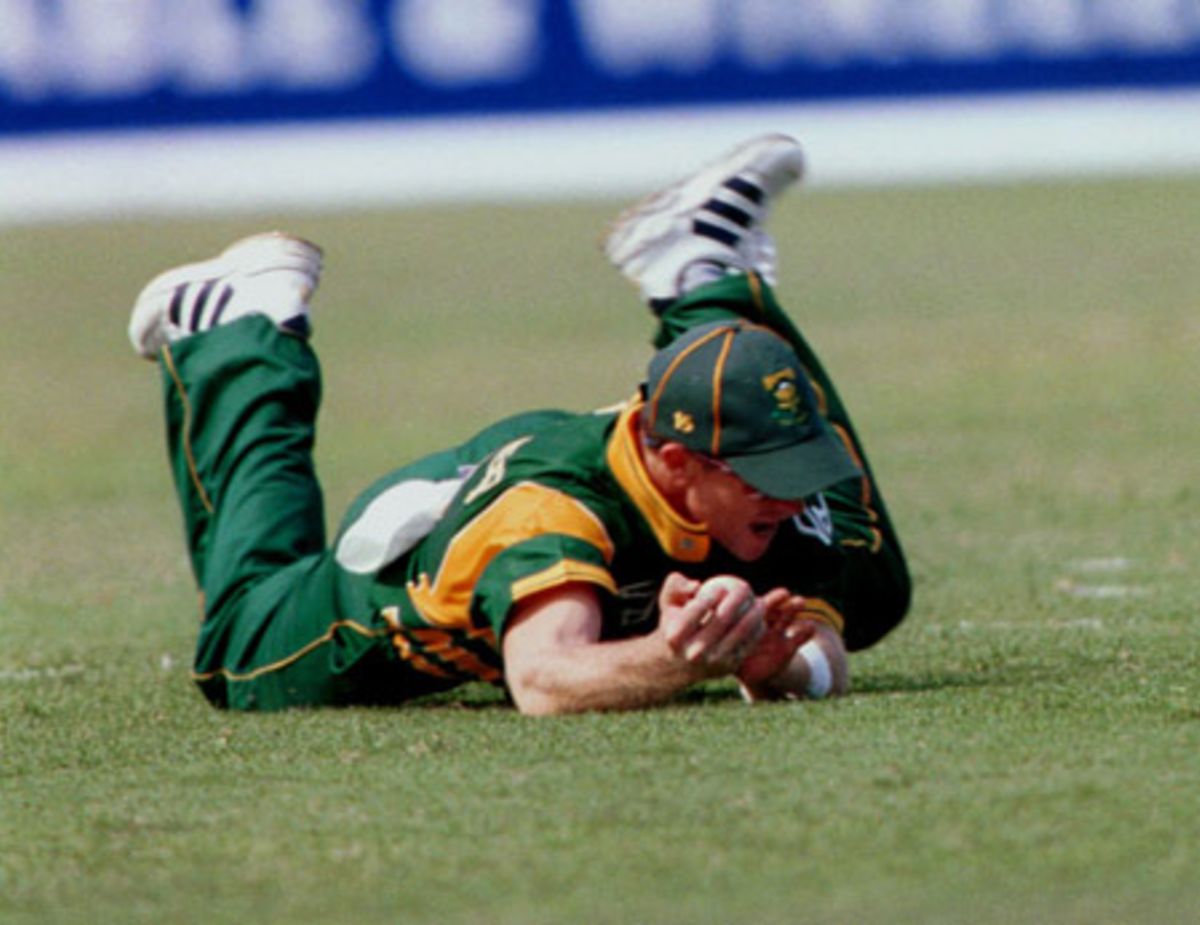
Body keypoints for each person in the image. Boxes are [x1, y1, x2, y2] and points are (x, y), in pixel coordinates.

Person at [129, 133, 910, 715]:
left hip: (555, 471)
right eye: (765, 474)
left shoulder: (759, 470)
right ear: (675, 461)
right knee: (233, 651)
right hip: (377, 597)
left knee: (868, 584)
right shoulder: (554, 514)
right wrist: (681, 658)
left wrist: (780, 666)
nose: (792, 491)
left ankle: (699, 268)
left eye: (796, 462)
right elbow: (543, 678)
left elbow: (821, 647)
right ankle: (240, 325)